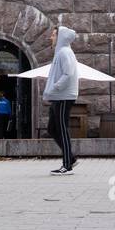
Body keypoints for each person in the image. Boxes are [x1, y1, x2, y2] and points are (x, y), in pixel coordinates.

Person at [43, 25, 80, 174]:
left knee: (62, 128)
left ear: (61, 37)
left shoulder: (65, 52)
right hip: (59, 96)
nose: (50, 37)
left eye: (53, 35)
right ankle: (70, 158)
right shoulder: (60, 53)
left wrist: (56, 87)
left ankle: (67, 165)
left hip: (64, 96)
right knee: (52, 128)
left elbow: (69, 73)